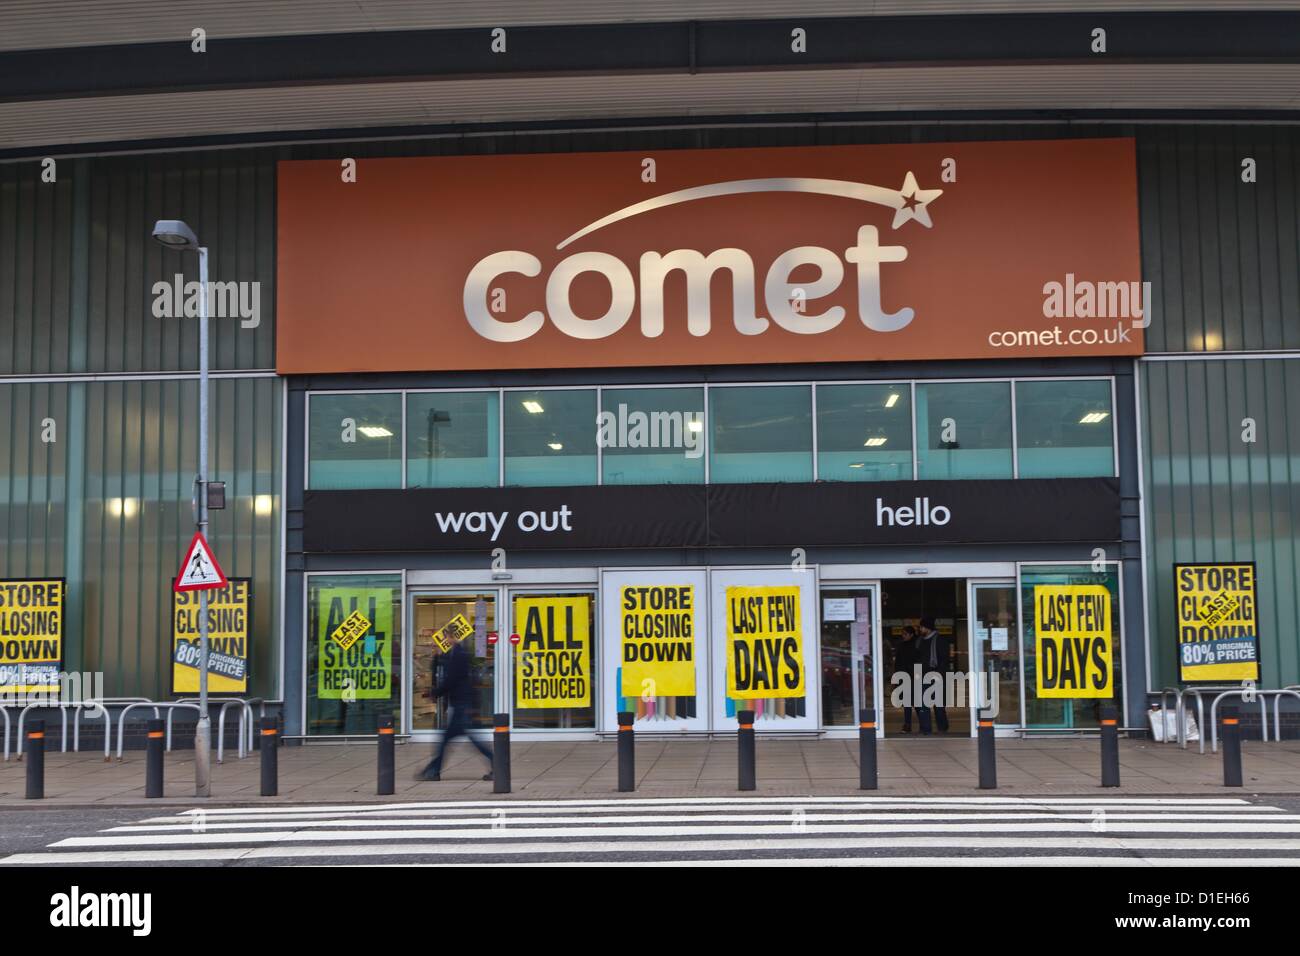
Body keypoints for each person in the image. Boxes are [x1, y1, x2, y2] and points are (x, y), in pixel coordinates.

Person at [419, 638, 493, 782]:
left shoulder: (458, 654)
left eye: (447, 636)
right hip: (462, 705)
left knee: (464, 740)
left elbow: (451, 680)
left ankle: (433, 771)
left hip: (462, 706)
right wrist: (437, 657)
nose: (445, 640)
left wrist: (435, 693)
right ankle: (433, 770)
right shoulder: (457, 653)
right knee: (453, 740)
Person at [916, 617, 951, 734]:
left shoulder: (940, 640)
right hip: (923, 677)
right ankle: (926, 729)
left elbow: (944, 660)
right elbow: (917, 658)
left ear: (928, 628)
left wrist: (940, 675)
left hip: (937, 676)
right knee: (923, 704)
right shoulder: (920, 641)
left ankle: (942, 728)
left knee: (939, 706)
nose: (920, 629)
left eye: (922, 627)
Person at [894, 625, 922, 733]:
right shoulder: (902, 646)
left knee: (916, 703)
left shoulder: (917, 645)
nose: (903, 636)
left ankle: (922, 724)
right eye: (902, 634)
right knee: (907, 703)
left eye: (905, 634)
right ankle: (908, 725)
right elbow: (898, 663)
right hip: (905, 677)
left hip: (914, 677)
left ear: (911, 634)